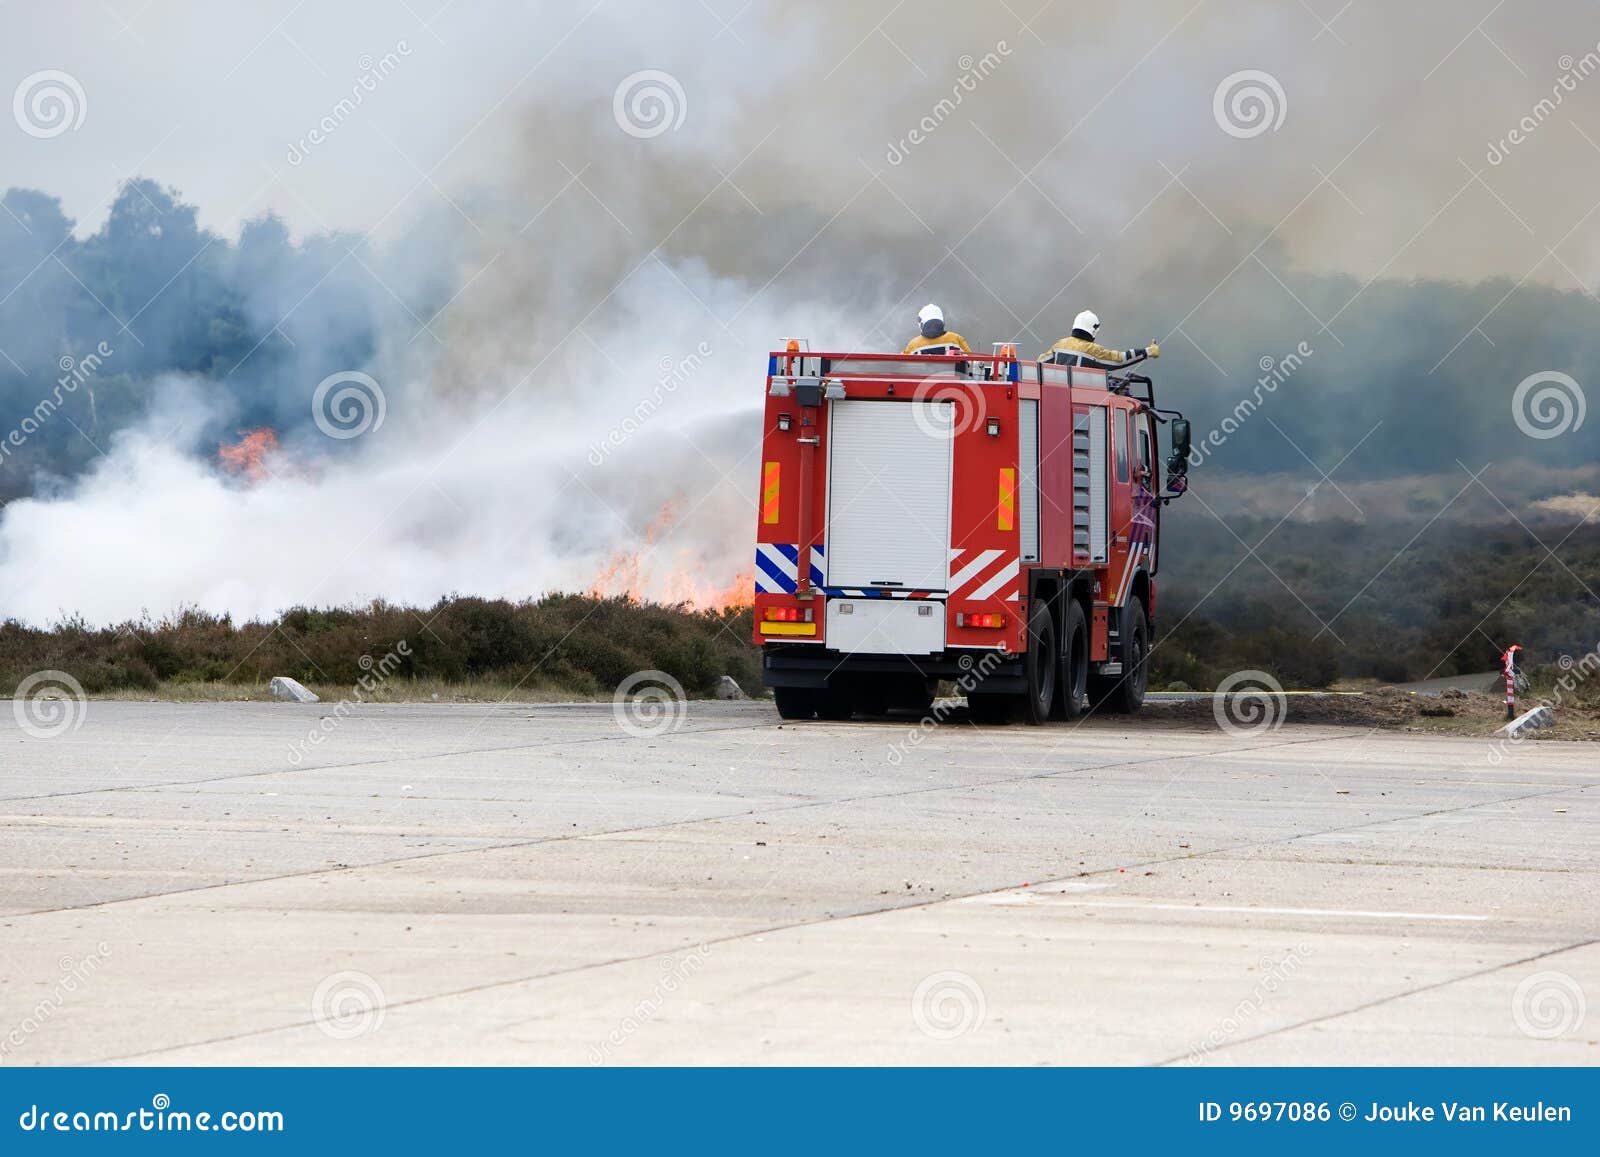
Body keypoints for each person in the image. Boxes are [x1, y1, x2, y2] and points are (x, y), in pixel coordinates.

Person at [1040, 310, 1158, 367]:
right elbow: (1120, 359)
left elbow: (1040, 363)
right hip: (1082, 398)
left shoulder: (1060, 344)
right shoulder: (1092, 350)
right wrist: (1147, 352)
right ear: (1093, 330)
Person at [903, 303, 972, 355]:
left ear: (921, 324)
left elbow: (900, 365)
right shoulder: (955, 339)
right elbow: (972, 361)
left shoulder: (913, 345)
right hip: (953, 374)